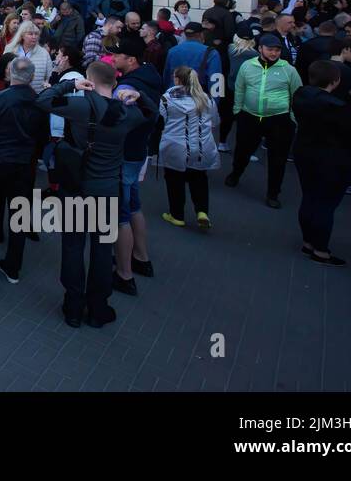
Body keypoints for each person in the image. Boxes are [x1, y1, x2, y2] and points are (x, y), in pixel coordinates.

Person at [38, 61, 148, 328]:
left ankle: (73, 306)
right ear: (115, 82)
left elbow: (43, 101)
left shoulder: (82, 106)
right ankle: (98, 307)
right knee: (101, 249)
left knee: (74, 246)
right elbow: (153, 116)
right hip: (108, 190)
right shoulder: (126, 112)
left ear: (89, 79)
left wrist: (70, 84)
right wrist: (139, 96)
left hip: (78, 188)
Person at [0, 57, 47, 285]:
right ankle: (13, 266)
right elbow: (43, 138)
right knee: (19, 215)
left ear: (10, 74)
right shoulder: (40, 102)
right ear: (32, 77)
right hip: (23, 165)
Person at [108, 34, 162, 294]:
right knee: (134, 206)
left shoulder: (125, 88)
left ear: (131, 60)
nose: (113, 58)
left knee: (120, 216)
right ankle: (141, 258)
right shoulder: (150, 76)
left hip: (124, 153)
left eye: (117, 55)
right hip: (139, 151)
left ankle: (124, 273)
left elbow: (118, 124)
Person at [290, 61, 351, 266]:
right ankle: (321, 250)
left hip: (304, 151)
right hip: (330, 158)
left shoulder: (300, 95)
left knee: (309, 196)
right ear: (335, 81)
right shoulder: (336, 107)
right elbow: (350, 135)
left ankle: (308, 242)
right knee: (326, 204)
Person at [226, 33, 301, 208]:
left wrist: (292, 119)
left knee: (278, 158)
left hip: (279, 119)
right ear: (260, 49)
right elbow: (240, 88)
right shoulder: (248, 65)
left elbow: (297, 94)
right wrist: (237, 110)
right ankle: (236, 173)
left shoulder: (288, 69)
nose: (274, 53)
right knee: (243, 150)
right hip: (250, 116)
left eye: (277, 50)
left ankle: (273, 193)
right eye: (270, 49)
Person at [158, 66, 220, 228]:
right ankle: (202, 211)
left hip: (175, 146)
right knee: (199, 177)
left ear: (177, 79)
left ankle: (177, 215)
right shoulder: (206, 99)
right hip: (202, 146)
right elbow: (214, 121)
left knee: (174, 179)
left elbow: (161, 120)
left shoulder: (168, 98)